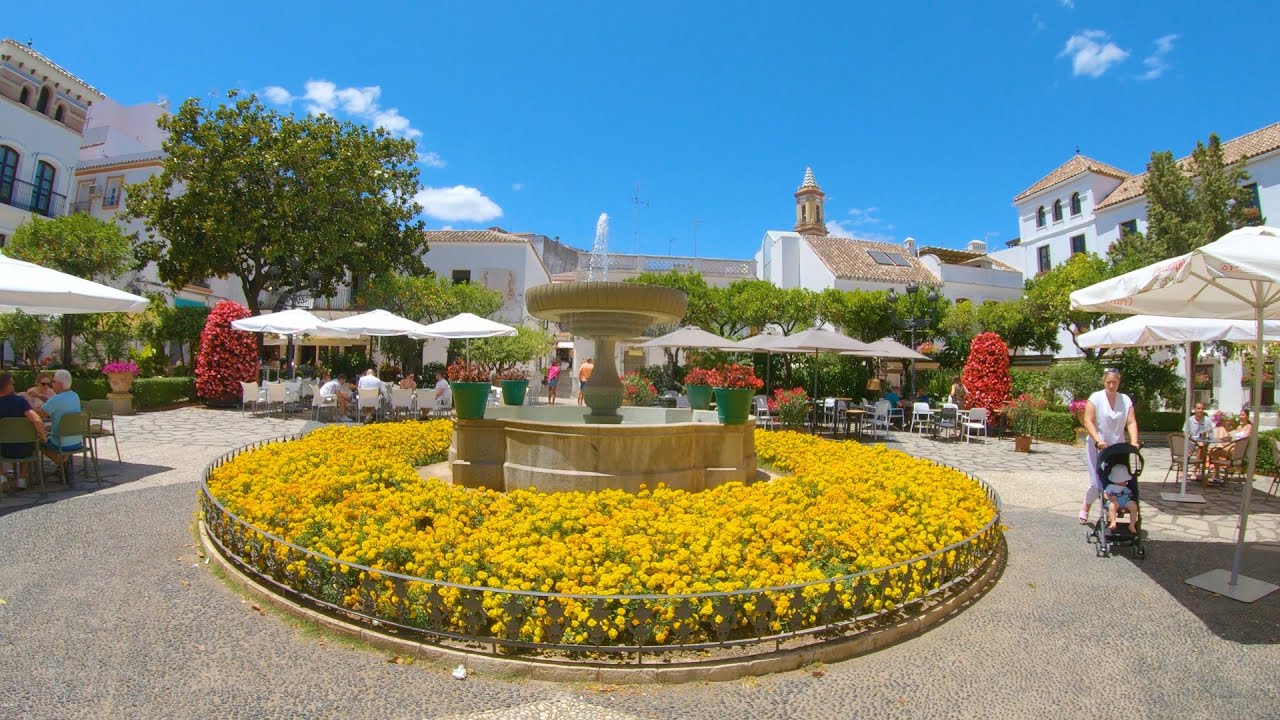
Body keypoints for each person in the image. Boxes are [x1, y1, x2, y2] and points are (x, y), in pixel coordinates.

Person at [1080, 368, 1140, 524]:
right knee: (1096, 483)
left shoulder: (1125, 400)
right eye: (1109, 382)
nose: (1112, 385)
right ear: (1104, 382)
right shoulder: (1096, 398)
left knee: (1115, 481)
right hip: (1097, 446)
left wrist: (1134, 442)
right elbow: (1088, 420)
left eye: (1115, 382)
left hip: (1117, 448)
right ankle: (1086, 506)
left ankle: (1110, 513)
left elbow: (1131, 422)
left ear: (1119, 382)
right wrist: (1097, 439)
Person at [0, 372, 48, 490]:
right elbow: (36, 420)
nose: (14, 386)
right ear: (7, 385)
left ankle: (1, 477)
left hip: (3, 450)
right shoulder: (21, 401)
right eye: (12, 383)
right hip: (24, 449)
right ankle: (21, 479)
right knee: (29, 441)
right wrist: (44, 437)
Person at [38, 369, 83, 471]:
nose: (51, 384)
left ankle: (61, 462)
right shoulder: (75, 396)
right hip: (76, 442)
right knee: (49, 429)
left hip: (60, 443)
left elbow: (41, 414)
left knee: (38, 440)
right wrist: (39, 396)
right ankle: (63, 463)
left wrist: (26, 408)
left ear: (60, 384)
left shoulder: (56, 399)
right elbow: (53, 404)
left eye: (53, 381)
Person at [1103, 463, 1139, 533]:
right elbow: (1105, 494)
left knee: (1134, 506)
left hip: (1126, 502)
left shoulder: (1126, 487)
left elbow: (1131, 495)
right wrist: (1110, 498)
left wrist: (1131, 496)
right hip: (1114, 501)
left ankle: (1132, 525)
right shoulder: (1110, 487)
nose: (1126, 482)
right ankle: (1113, 522)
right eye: (1124, 480)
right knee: (1113, 505)